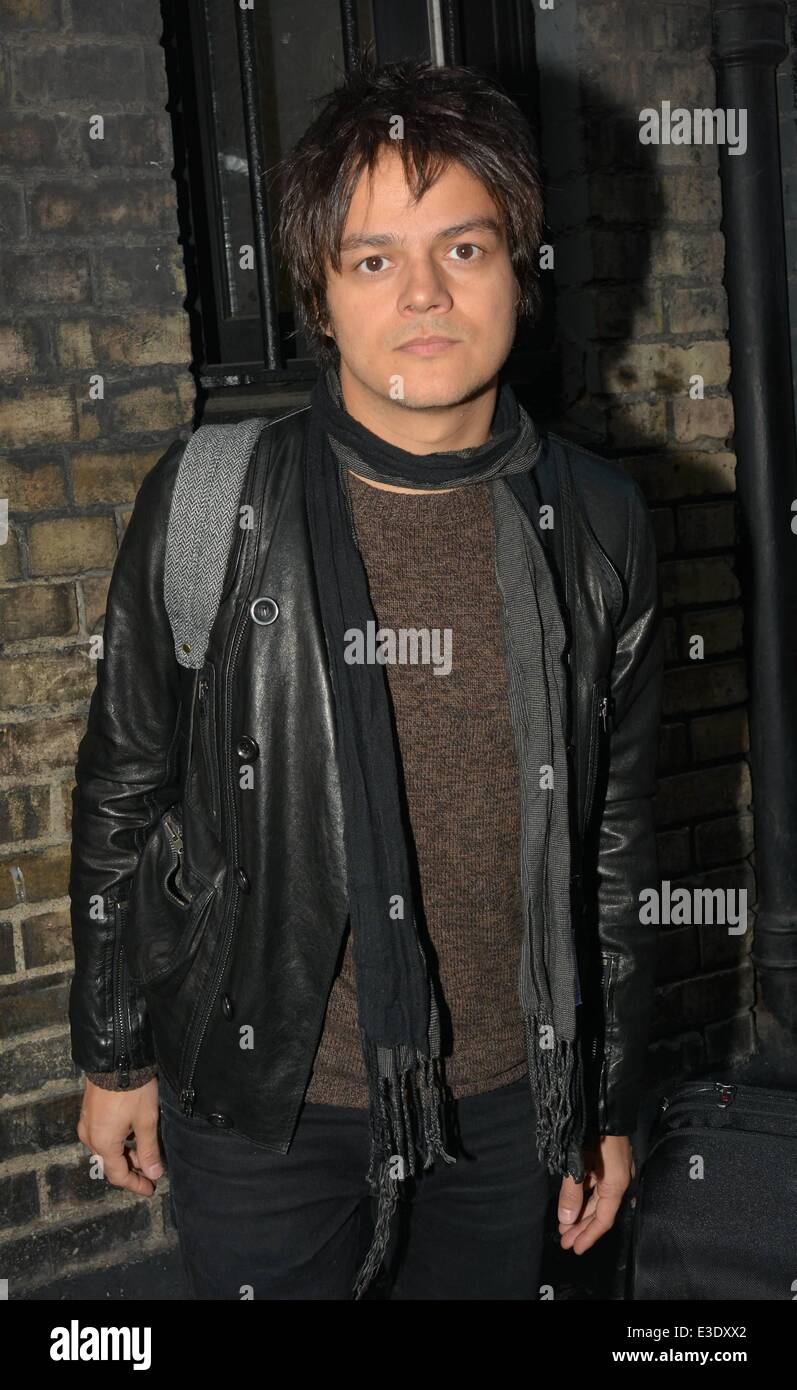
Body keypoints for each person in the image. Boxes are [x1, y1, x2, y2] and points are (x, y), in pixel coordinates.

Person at [69, 57, 663, 1301]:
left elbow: (612, 840)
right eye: (373, 258)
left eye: (464, 248)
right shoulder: (209, 501)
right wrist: (117, 1050)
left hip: (510, 1097)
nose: (426, 295)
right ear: (321, 294)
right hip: (265, 1093)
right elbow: (124, 790)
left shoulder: (601, 520)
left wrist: (603, 1097)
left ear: (520, 271)